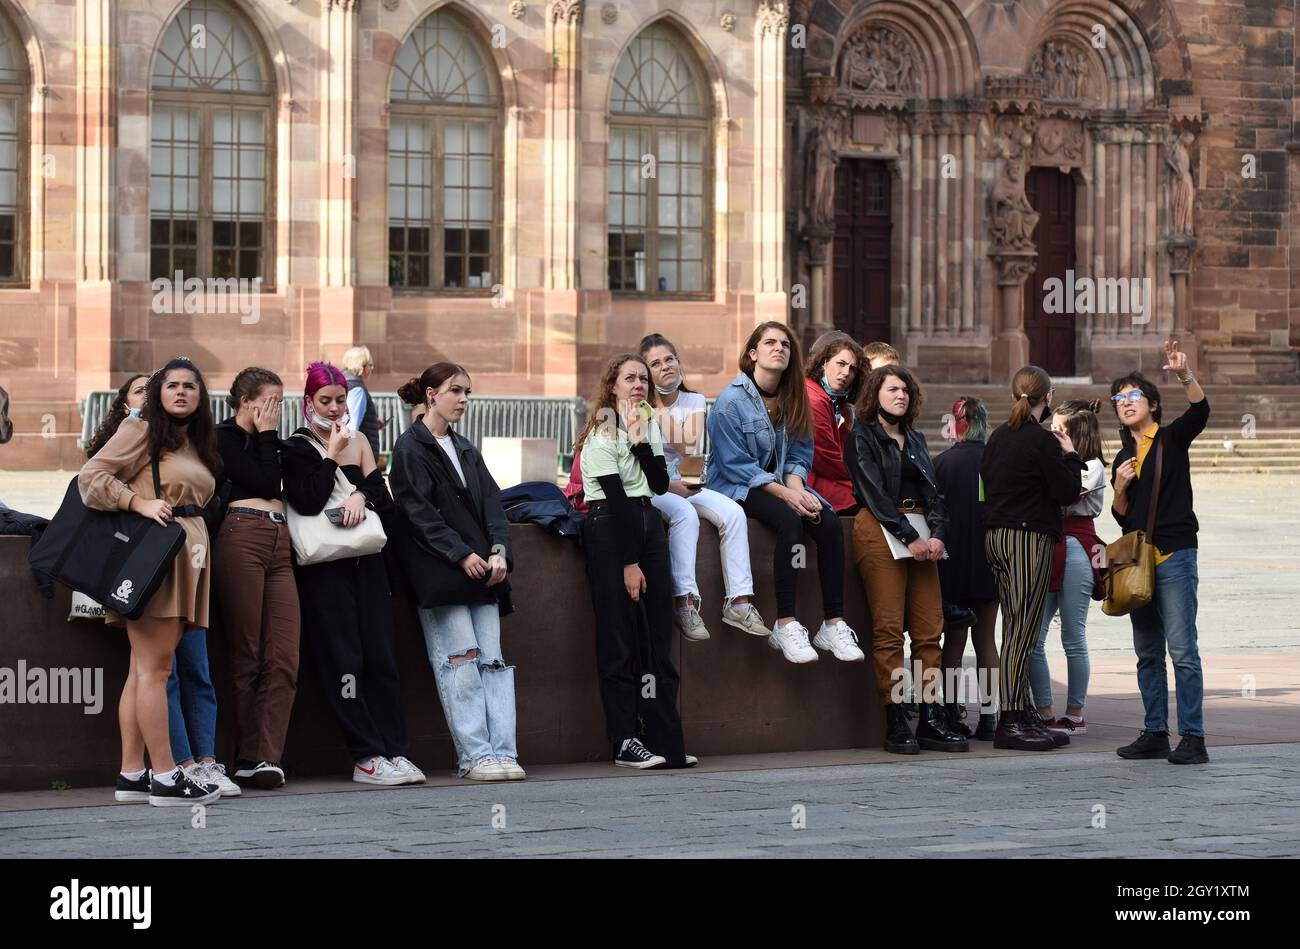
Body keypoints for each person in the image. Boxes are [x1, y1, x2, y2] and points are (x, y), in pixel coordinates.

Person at [78, 357, 223, 806]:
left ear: (201, 397)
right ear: (158, 393)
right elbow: (91, 478)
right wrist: (138, 503)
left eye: (190, 386)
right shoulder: (141, 430)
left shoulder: (192, 442)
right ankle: (165, 775)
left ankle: (132, 773)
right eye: (172, 385)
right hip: (154, 560)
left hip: (185, 560)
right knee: (156, 671)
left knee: (141, 671)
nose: (181, 392)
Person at [282, 361, 425, 786]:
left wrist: (362, 493)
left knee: (381, 656)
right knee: (343, 659)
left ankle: (395, 749)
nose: (333, 409)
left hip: (367, 562)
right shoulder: (296, 446)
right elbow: (306, 501)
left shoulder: (360, 440)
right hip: (325, 568)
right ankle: (366, 755)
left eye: (340, 400)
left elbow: (385, 498)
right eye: (324, 401)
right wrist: (330, 455)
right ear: (308, 402)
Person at [389, 362, 524, 782]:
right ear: (431, 395)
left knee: (493, 663)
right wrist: (461, 553)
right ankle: (475, 756)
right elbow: (418, 513)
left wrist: (499, 551)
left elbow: (492, 504)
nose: (464, 399)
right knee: (459, 661)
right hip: (442, 574)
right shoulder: (411, 447)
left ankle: (503, 752)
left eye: (467, 391)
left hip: (485, 573)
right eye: (456, 391)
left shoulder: (466, 447)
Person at [706, 322, 861, 664]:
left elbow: (800, 454)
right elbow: (737, 467)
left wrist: (796, 486)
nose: (779, 348)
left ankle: (833, 623)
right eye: (770, 343)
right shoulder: (730, 402)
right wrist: (787, 496)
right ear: (753, 354)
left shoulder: (795, 399)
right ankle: (785, 622)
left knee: (829, 522)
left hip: (780, 482)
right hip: (736, 487)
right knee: (790, 522)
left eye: (785, 345)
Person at [576, 353, 694, 769]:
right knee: (619, 638)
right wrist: (628, 561)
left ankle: (663, 737)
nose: (639, 385)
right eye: (630, 378)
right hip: (611, 527)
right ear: (613, 386)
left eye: (644, 378)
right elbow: (612, 497)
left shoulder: (647, 425)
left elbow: (660, 484)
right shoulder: (602, 432)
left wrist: (643, 441)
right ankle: (624, 740)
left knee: (658, 636)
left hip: (647, 520)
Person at [848, 364, 967, 753]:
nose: (901, 396)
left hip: (921, 534)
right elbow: (872, 492)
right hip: (881, 530)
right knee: (888, 630)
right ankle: (897, 720)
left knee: (929, 629)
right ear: (875, 396)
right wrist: (910, 535)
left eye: (905, 391)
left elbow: (935, 496)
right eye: (892, 389)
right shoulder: (862, 437)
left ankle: (931, 718)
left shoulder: (915, 438)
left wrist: (936, 536)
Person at [1111, 340, 1210, 765]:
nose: (1126, 403)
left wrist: (1185, 375)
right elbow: (1124, 520)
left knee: (1182, 650)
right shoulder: (1122, 457)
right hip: (1138, 562)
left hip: (1174, 554)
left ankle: (1192, 737)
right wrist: (1118, 489)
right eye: (1119, 398)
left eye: (1133, 397)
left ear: (1151, 404)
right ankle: (1154, 731)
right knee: (1147, 652)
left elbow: (1200, 412)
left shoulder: (1171, 439)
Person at [638, 333, 769, 641]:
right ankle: (684, 602)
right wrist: (649, 404)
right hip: (653, 486)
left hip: (686, 481)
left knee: (734, 513)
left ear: (679, 362)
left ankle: (739, 602)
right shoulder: (633, 409)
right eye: (655, 364)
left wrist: (653, 407)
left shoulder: (693, 400)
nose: (666, 367)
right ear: (646, 373)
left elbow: (686, 444)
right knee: (685, 513)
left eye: (670, 359)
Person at [980, 365, 1084, 751]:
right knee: (1022, 631)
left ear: (1014, 396)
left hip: (996, 536)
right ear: (1048, 398)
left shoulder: (998, 437)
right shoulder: (1041, 441)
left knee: (1015, 627)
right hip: (1026, 538)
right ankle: (1010, 720)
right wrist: (1072, 456)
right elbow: (1066, 490)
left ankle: (1021, 712)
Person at [213, 367, 300, 790]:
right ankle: (242, 755)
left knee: (283, 655)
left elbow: (291, 488)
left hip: (280, 544)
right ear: (247, 401)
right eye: (271, 401)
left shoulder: (277, 443)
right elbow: (265, 480)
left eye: (281, 402)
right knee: (246, 652)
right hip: (241, 535)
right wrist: (266, 435)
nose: (277, 410)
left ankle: (266, 757)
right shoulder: (223, 437)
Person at [1029, 399, 1108, 738]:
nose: (1052, 433)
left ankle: (1075, 713)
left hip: (1076, 545)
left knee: (1073, 636)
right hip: (1049, 543)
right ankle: (1045, 712)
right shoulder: (1055, 461)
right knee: (1032, 636)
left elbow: (1064, 494)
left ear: (1075, 435)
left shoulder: (1092, 466)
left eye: (1058, 429)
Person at [933, 396, 999, 741]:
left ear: (956, 424)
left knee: (954, 641)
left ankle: (952, 711)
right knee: (986, 638)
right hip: (989, 559)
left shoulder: (942, 463)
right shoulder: (995, 460)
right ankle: (989, 716)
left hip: (952, 562)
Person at [803, 331, 865, 515]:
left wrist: (847, 425)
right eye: (841, 364)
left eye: (852, 368)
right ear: (823, 363)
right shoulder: (815, 399)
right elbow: (826, 459)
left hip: (821, 476)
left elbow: (837, 450)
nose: (846, 373)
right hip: (809, 481)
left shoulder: (828, 399)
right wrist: (864, 476)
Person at [84, 374, 150, 459]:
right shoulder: (119, 442)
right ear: (125, 407)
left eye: (151, 390)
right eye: (139, 391)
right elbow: (93, 470)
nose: (146, 395)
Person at [341, 345, 384, 460]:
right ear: (362, 366)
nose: (371, 369)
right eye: (370, 365)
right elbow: (351, 427)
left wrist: (371, 422)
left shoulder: (343, 384)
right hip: (359, 459)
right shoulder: (357, 389)